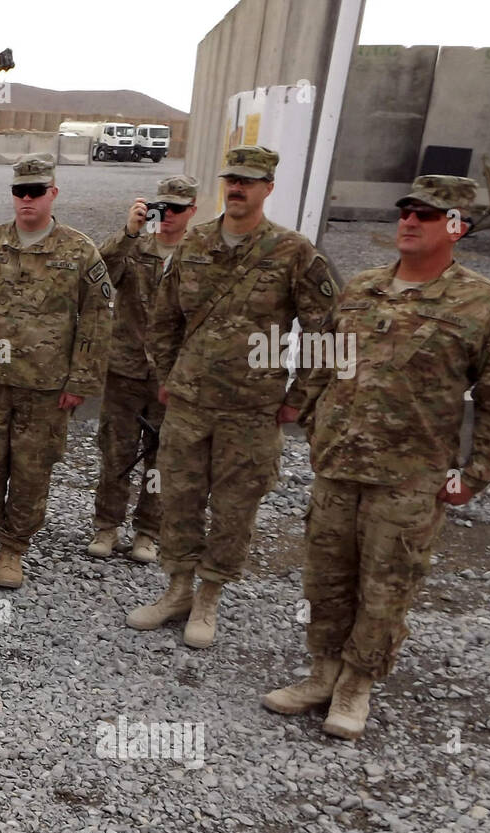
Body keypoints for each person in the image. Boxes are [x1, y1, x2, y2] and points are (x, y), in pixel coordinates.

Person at [264, 175, 490, 739]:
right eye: (406, 212)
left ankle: (356, 685)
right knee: (325, 577)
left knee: (387, 582)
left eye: (426, 214)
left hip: (409, 477)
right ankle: (323, 672)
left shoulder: (481, 303)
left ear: (456, 227)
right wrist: (311, 418)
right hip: (338, 464)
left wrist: (476, 474)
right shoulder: (362, 288)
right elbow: (325, 359)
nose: (410, 222)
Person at [128, 145, 339, 648]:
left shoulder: (292, 252)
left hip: (252, 408)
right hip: (189, 403)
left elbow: (326, 330)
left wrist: (299, 396)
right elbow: (163, 319)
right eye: (232, 179)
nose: (238, 188)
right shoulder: (195, 244)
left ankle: (209, 597)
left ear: (268, 187)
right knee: (177, 495)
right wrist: (168, 373)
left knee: (234, 506)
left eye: (249, 180)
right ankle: (178, 588)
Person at [0, 153, 112, 589]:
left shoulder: (78, 251)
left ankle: (14, 549)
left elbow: (97, 318)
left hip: (45, 386)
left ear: (53, 193)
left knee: (33, 468)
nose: (27, 199)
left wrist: (82, 381)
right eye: (20, 191)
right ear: (12, 195)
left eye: (37, 191)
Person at [88, 175, 198, 563]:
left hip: (175, 374)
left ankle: (148, 532)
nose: (167, 215)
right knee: (115, 450)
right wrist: (127, 232)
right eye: (161, 207)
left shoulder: (200, 255)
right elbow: (97, 273)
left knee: (163, 458)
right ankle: (107, 526)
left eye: (178, 209)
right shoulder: (136, 247)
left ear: (193, 212)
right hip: (126, 368)